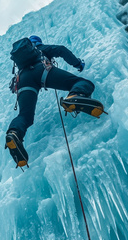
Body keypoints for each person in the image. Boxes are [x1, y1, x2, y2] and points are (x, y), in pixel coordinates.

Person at [5, 35, 101, 166]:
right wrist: (78, 63)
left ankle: (14, 133)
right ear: (35, 44)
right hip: (41, 70)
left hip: (23, 80)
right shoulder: (40, 48)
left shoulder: (20, 63)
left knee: (25, 116)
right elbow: (61, 49)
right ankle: (75, 96)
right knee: (81, 82)